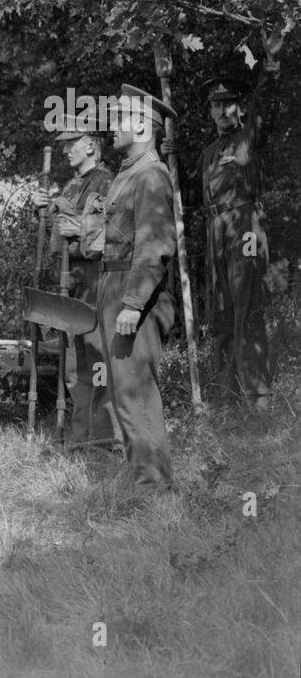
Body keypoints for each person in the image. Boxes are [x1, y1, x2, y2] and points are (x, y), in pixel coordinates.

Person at [80, 85, 178, 490]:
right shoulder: (128, 173)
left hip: (132, 289)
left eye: (119, 118)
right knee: (122, 391)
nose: (111, 127)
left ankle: (153, 489)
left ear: (141, 125)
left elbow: (154, 244)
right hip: (113, 282)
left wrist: (134, 303)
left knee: (135, 391)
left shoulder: (151, 175)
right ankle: (140, 477)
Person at [32, 129, 118, 448]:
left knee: (97, 357)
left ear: (91, 146)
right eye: (65, 145)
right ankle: (81, 435)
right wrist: (45, 207)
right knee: (73, 362)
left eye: (72, 144)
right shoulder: (71, 184)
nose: (66, 150)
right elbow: (57, 232)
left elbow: (109, 236)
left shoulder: (107, 181)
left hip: (96, 280)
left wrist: (75, 225)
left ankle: (103, 434)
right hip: (71, 281)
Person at [195, 76, 272, 411]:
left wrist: (268, 67)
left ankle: (257, 401)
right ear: (210, 112)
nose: (223, 111)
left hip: (246, 229)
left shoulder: (248, 138)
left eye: (229, 104)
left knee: (247, 305)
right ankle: (228, 400)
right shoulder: (209, 152)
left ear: (239, 107)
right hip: (216, 231)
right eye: (216, 105)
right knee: (222, 312)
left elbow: (261, 107)